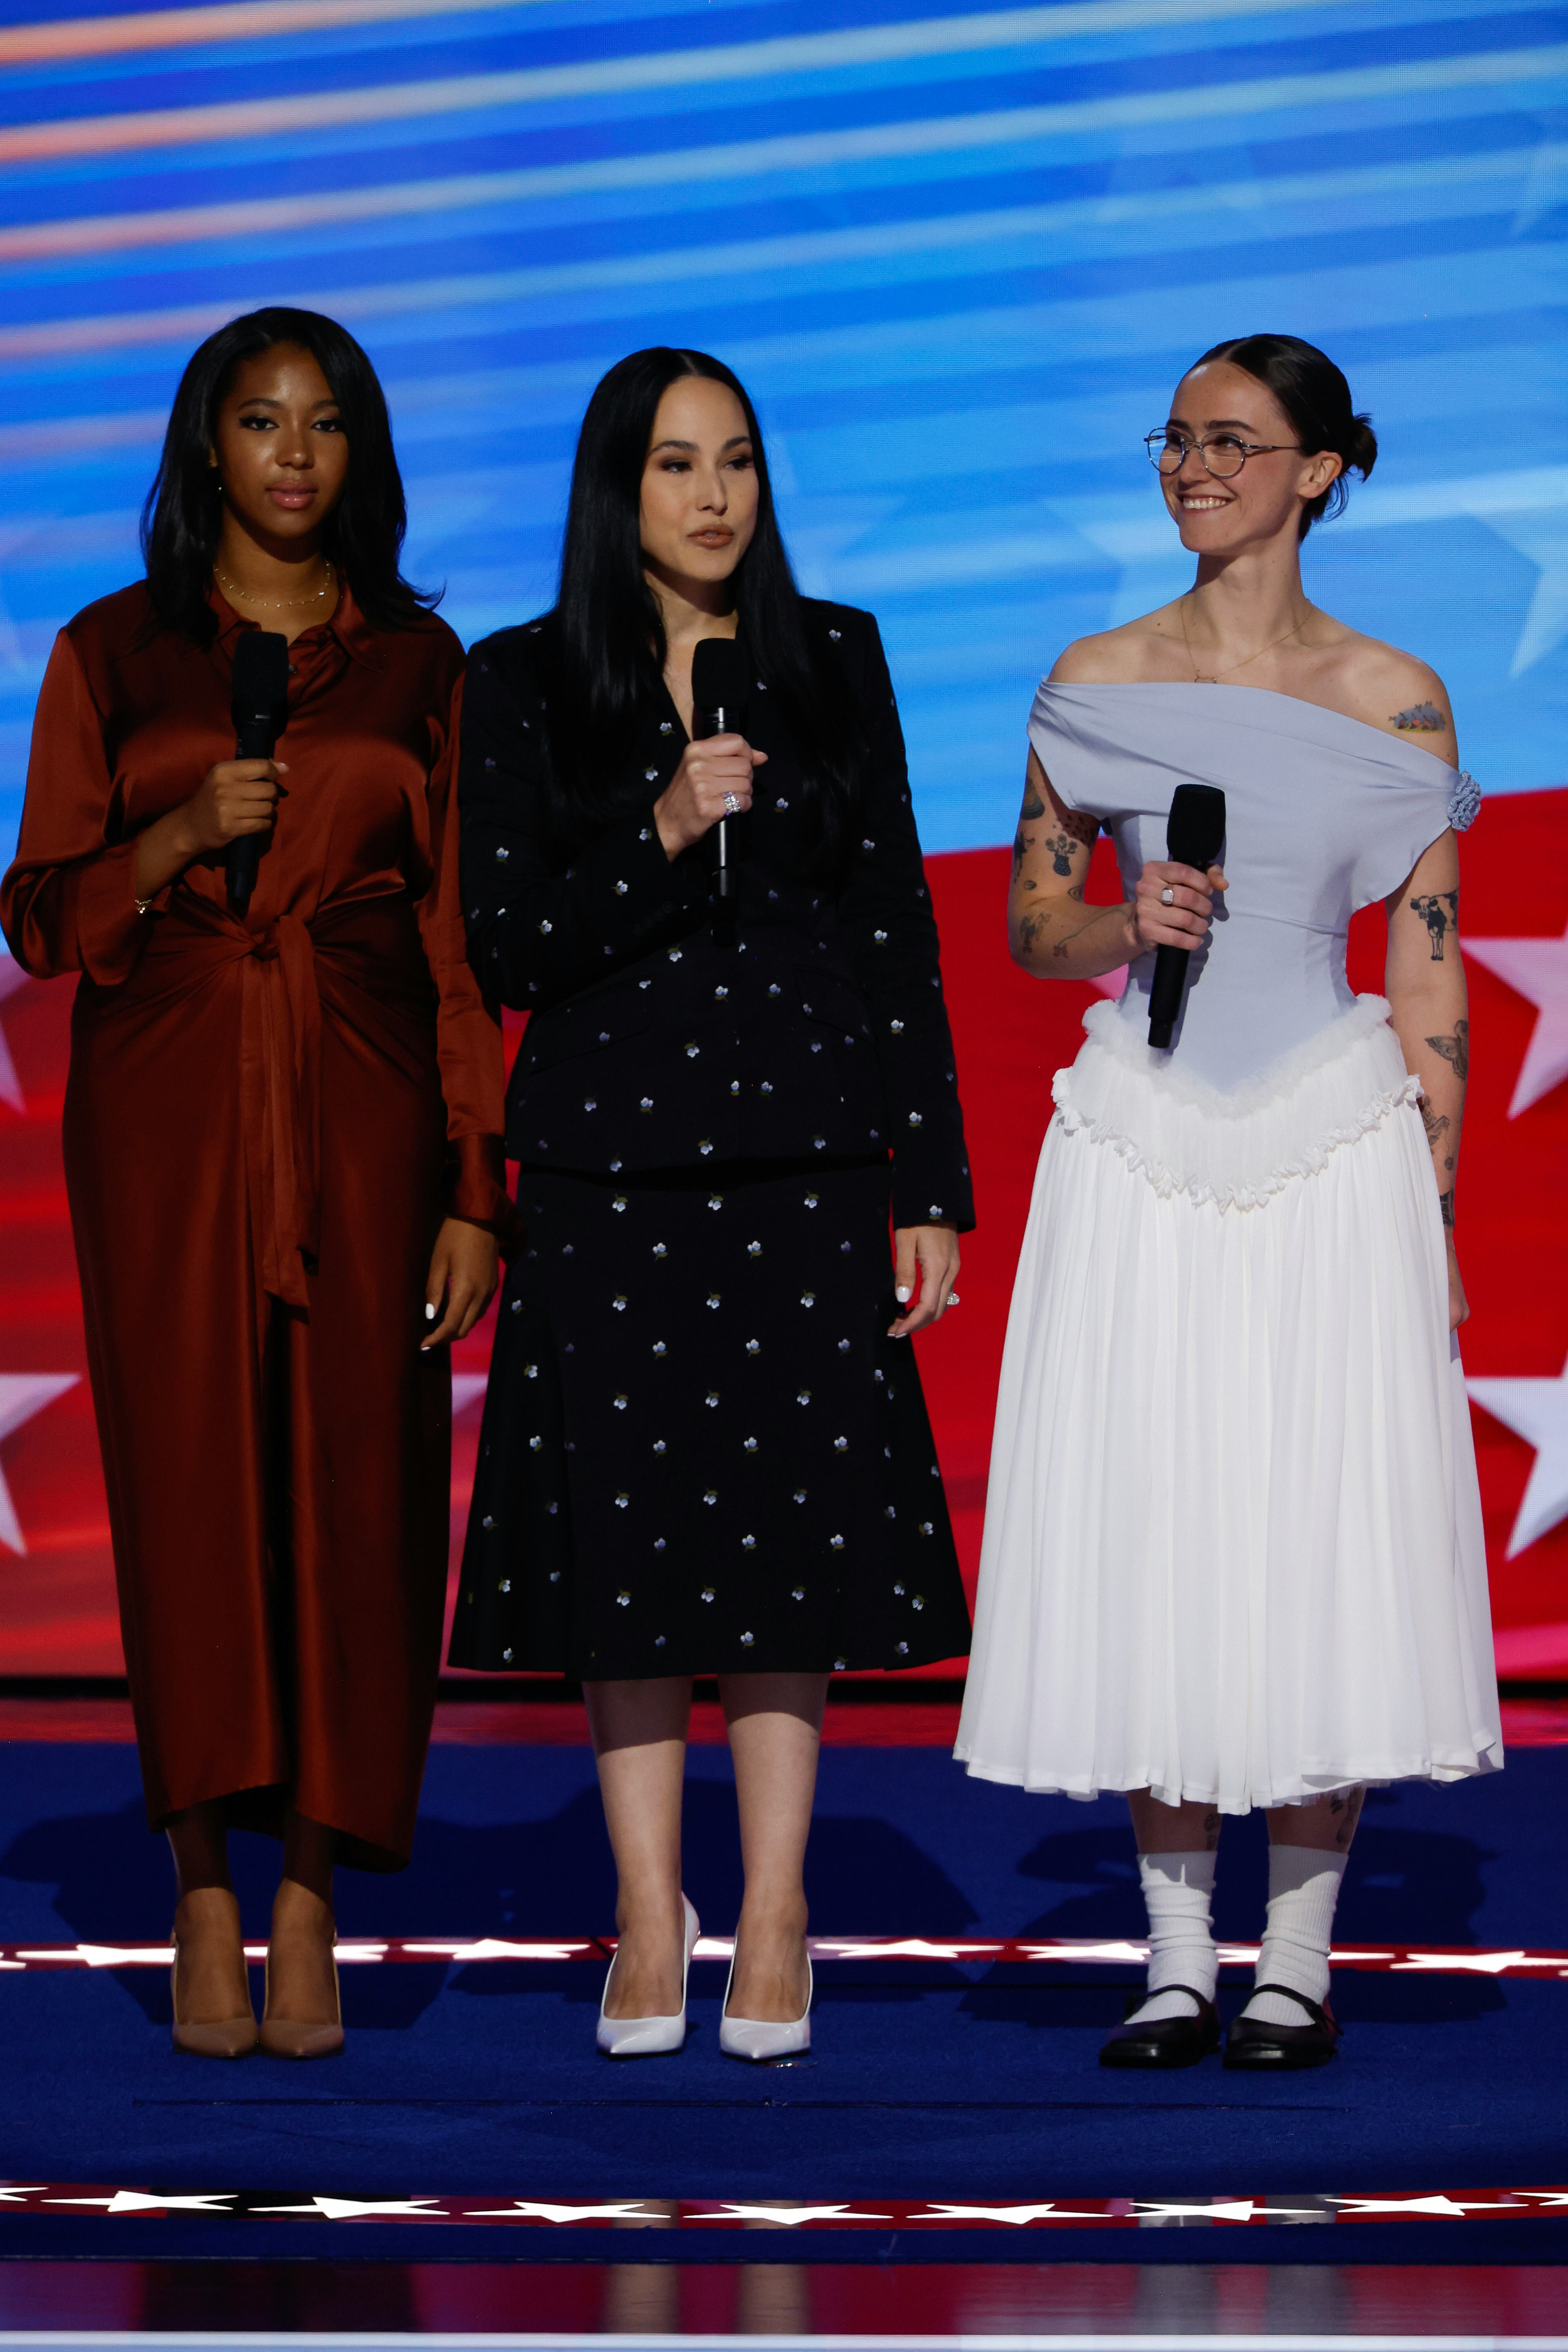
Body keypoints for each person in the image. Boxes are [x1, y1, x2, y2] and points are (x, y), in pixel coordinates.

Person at [955, 333, 1499, 2072]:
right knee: (1157, 1517)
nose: (1195, 467)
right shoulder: (1096, 678)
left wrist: (1438, 1210)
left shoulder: (1399, 698)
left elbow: (1432, 991)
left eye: (1234, 441)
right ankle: (1177, 1956)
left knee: (1313, 1519)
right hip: (1141, 1135)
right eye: (1175, 439)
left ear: (1322, 467)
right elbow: (1038, 927)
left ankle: (1297, 1961)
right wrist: (1132, 925)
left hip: (1330, 1147)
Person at [451, 346, 973, 2060]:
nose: (714, 493)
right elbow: (510, 945)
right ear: (619, 487)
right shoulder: (525, 681)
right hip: (612, 1166)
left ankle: (773, 1906)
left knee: (784, 1552)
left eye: (737, 459)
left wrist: (933, 1183)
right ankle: (645, 1904)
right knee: (633, 1559)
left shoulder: (835, 663)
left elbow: (892, 922)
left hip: (805, 1159)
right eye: (676, 463)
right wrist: (667, 824)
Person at [1, 308, 507, 2060]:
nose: (294, 454)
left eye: (327, 425)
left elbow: (457, 950)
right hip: (164, 1114)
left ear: (360, 456)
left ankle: (312, 1890)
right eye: (259, 422)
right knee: (198, 1480)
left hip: (362, 1105)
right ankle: (199, 1877)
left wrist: (475, 1183)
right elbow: (45, 917)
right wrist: (169, 839)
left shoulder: (424, 666)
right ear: (203, 448)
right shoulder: (110, 651)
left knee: (357, 1488)